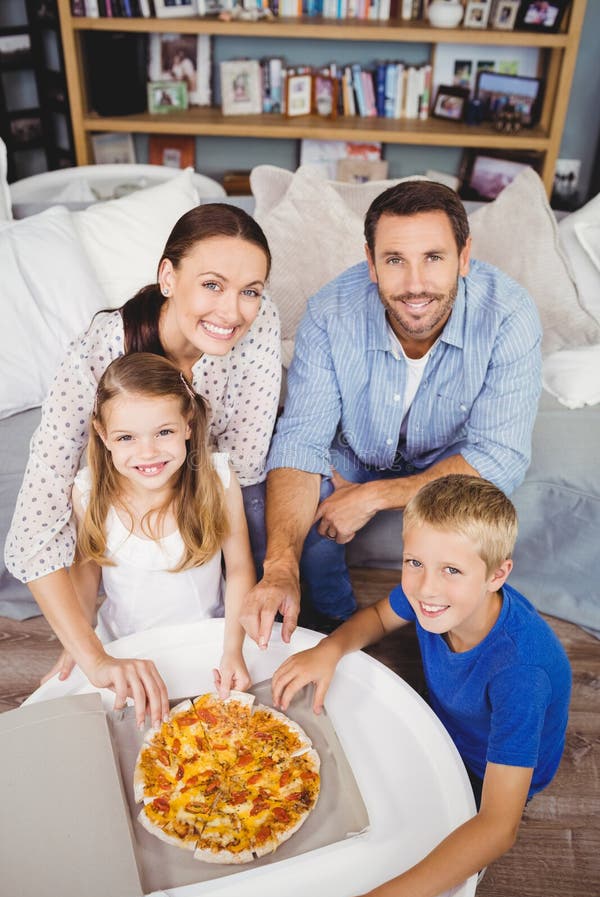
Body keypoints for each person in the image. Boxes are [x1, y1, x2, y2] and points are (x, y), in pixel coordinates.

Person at [5, 203, 280, 722]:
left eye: (250, 290)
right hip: (131, 508)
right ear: (167, 277)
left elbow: (242, 463)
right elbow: (36, 531)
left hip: (208, 498)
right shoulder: (100, 351)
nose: (233, 312)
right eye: (213, 285)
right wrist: (86, 647)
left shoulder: (259, 321)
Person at [240, 179, 542, 649]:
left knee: (458, 529)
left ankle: (427, 645)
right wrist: (281, 565)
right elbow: (301, 439)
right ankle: (333, 624)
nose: (415, 284)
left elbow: (499, 457)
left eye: (434, 258)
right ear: (371, 262)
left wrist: (372, 497)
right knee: (269, 511)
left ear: (464, 257)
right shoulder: (329, 311)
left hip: (452, 457)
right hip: (359, 448)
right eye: (395, 260)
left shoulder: (509, 315)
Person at [272, 474, 571, 897]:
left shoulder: (522, 672)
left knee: (404, 853)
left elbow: (499, 828)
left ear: (497, 575)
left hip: (488, 773)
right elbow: (378, 617)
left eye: (451, 570)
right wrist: (331, 649)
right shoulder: (433, 596)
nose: (426, 588)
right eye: (414, 562)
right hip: (439, 725)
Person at [43, 354, 255, 728]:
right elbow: (87, 574)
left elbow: (239, 569)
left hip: (207, 641)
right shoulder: (89, 492)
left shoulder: (218, 481)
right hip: (122, 646)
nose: (148, 452)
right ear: (103, 435)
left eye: (164, 432)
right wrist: (75, 645)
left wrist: (232, 649)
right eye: (127, 437)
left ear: (188, 425)